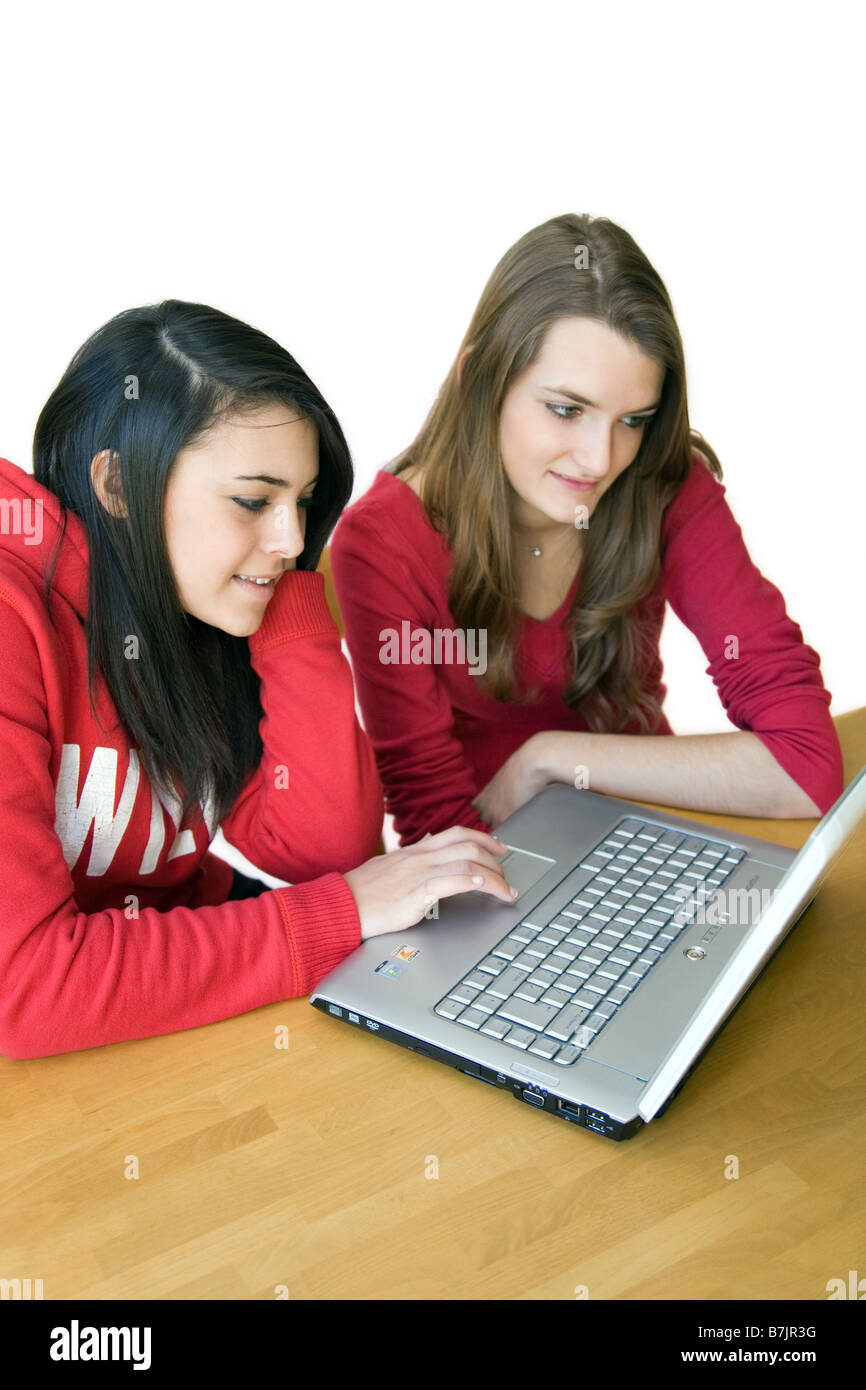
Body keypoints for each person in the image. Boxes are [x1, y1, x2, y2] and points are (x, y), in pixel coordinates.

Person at [0, 300, 513, 1060]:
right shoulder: (14, 619)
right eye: (253, 500)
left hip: (167, 979)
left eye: (303, 504)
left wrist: (288, 605)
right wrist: (333, 915)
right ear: (116, 487)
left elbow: (327, 850)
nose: (293, 539)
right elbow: (29, 992)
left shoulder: (193, 600)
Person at [330, 213, 843, 845]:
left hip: (657, 836)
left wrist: (546, 759)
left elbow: (806, 767)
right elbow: (435, 826)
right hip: (502, 860)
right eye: (567, 409)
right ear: (477, 384)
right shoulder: (383, 543)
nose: (601, 460)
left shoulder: (663, 484)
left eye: (634, 419)